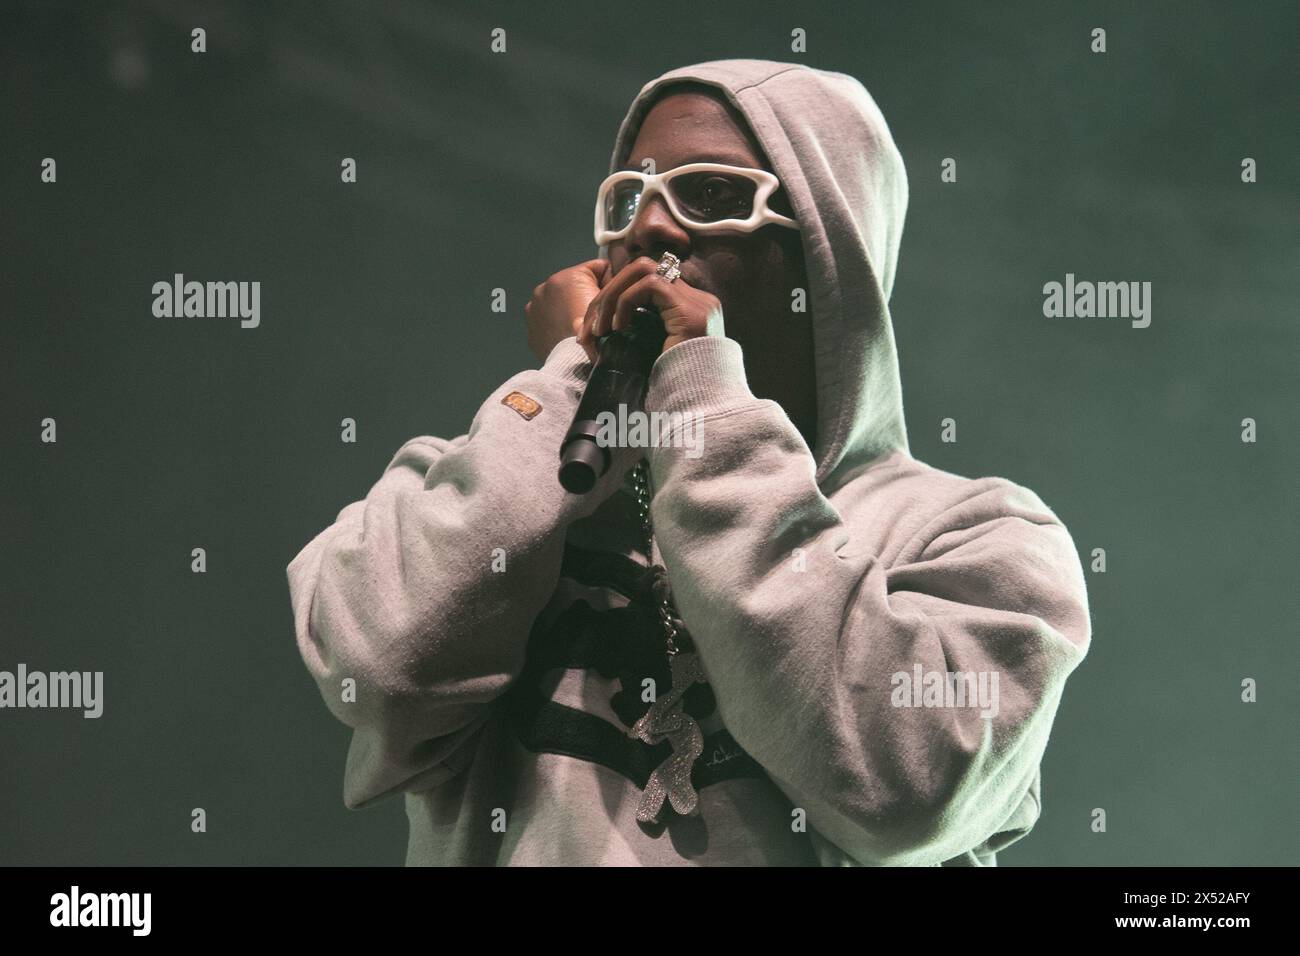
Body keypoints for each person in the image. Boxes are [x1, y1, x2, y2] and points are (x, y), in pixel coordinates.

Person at [286, 58, 1092, 866]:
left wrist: (701, 398)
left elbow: (902, 791)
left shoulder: (981, 540)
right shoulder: (469, 478)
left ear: (828, 255)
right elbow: (387, 676)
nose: (653, 229)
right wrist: (573, 373)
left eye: (711, 195)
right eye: (631, 197)